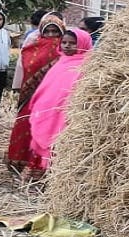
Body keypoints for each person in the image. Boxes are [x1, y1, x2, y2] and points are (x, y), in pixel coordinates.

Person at [4, 13, 64, 180]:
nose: (51, 36)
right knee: (28, 128)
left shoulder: (66, 48)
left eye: (55, 32)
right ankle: (22, 161)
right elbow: (22, 68)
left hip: (55, 99)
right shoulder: (32, 47)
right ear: (41, 31)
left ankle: (44, 166)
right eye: (48, 31)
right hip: (31, 97)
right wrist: (19, 88)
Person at [29, 28, 93, 170]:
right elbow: (47, 87)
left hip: (67, 112)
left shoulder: (86, 65)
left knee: (61, 143)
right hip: (48, 110)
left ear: (83, 43)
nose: (67, 46)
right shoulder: (61, 62)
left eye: (72, 43)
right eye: (64, 42)